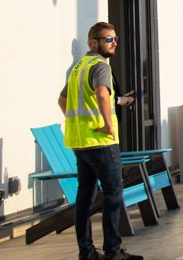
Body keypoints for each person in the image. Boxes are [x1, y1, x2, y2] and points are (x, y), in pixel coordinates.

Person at [57, 22, 143, 260]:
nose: (114, 43)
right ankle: (113, 251)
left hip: (81, 142)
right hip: (101, 142)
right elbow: (102, 93)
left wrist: (77, 121)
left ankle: (86, 252)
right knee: (113, 193)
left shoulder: (78, 68)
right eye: (108, 39)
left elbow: (62, 100)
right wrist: (107, 124)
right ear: (93, 43)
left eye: (115, 39)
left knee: (84, 197)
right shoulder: (100, 65)